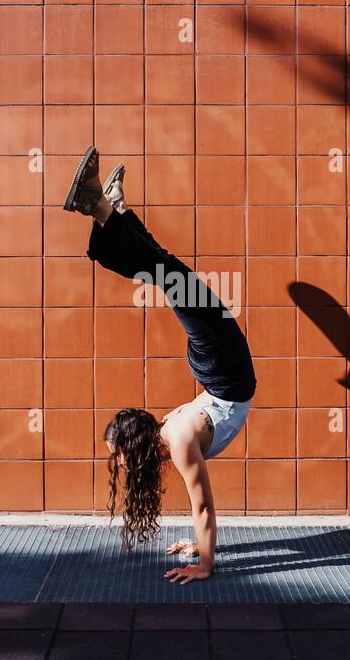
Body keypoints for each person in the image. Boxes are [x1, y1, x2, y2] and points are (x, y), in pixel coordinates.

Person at [62, 147, 256, 584]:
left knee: (165, 271)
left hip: (218, 366)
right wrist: (201, 554)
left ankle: (106, 206)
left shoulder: (175, 433)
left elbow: (201, 506)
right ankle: (104, 206)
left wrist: (202, 554)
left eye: (121, 457)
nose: (124, 466)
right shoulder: (178, 438)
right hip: (222, 367)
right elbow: (202, 505)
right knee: (165, 272)